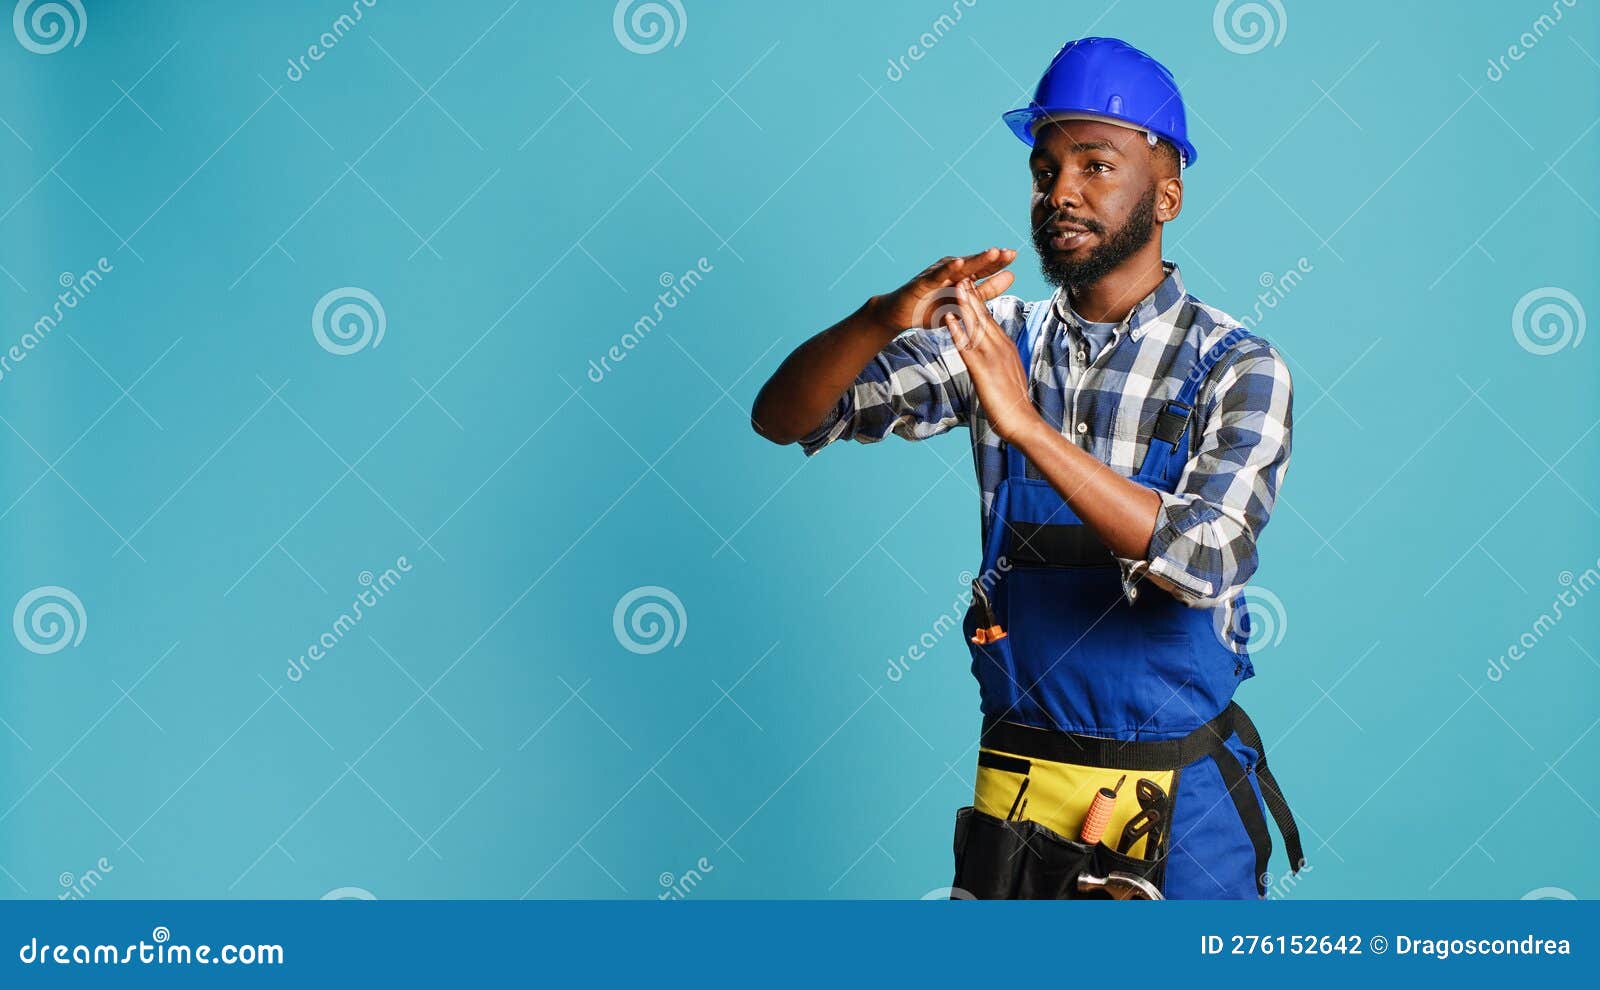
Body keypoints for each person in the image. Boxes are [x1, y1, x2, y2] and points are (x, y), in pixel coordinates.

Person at [752, 37, 1304, 899]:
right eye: (1046, 170)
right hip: (1020, 797)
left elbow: (1203, 559)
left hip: (1176, 807)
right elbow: (786, 417)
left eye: (1096, 164)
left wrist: (1027, 425)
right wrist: (879, 317)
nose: (1062, 193)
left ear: (1168, 193)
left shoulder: (1237, 366)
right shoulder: (994, 338)